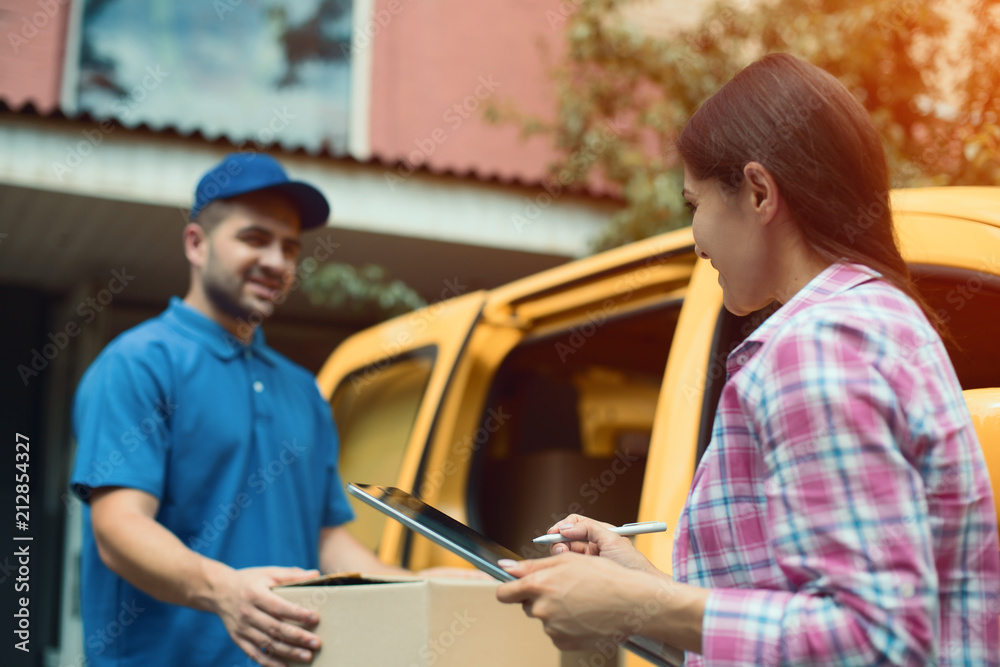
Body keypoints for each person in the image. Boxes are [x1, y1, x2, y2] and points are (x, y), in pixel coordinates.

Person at [496, 53, 1000, 666]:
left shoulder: (817, 346)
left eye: (694, 204)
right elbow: (806, 613)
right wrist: (641, 586)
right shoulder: (874, 318)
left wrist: (637, 607)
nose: (695, 237)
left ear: (759, 192)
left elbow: (875, 638)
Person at [70, 152, 414, 667]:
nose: (277, 262)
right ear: (196, 243)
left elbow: (327, 545)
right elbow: (119, 530)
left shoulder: (303, 391)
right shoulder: (139, 364)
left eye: (290, 247)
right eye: (254, 238)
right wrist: (226, 591)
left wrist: (435, 586)